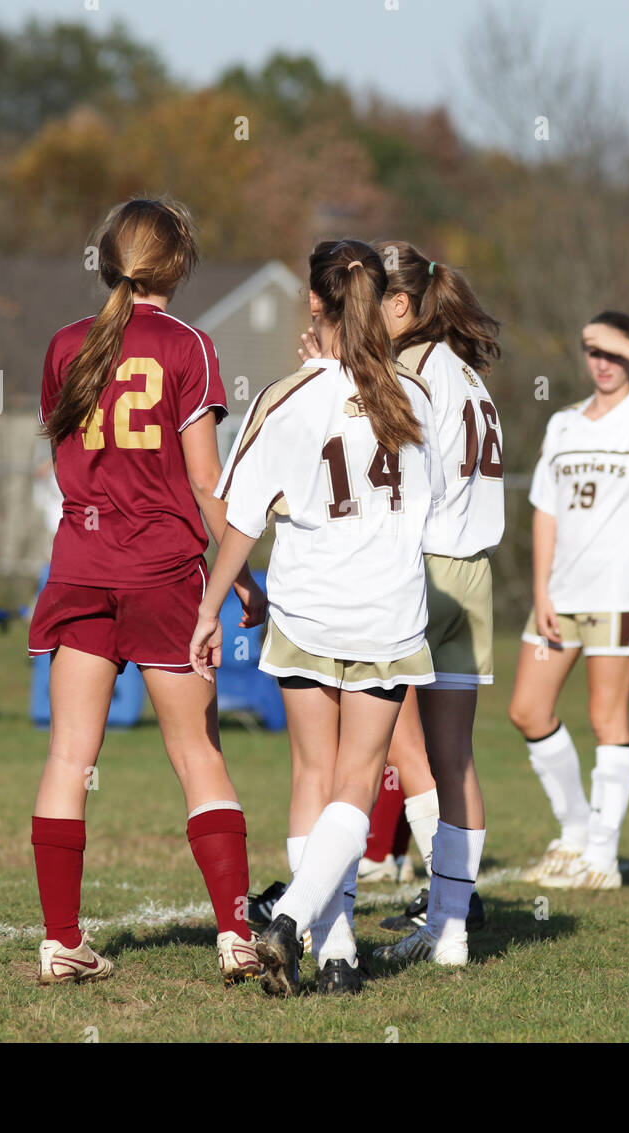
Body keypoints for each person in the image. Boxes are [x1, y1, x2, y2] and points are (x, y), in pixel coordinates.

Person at [190, 238, 444, 996]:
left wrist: (211, 607)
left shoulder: (287, 396)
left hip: (306, 609)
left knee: (311, 774)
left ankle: (317, 938)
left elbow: (242, 521)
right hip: (388, 611)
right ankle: (320, 944)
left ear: (315, 304)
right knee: (357, 782)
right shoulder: (416, 397)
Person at [28, 196, 266, 987]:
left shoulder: (66, 344)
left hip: (80, 567)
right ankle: (236, 934)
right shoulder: (187, 344)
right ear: (179, 263)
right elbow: (205, 480)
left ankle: (62, 938)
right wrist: (244, 574)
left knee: (69, 755)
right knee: (198, 753)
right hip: (163, 571)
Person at [508, 312, 629, 890]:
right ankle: (574, 832)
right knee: (527, 710)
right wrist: (540, 588)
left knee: (605, 717)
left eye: (614, 352)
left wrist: (626, 344)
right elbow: (545, 509)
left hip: (619, 592)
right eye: (594, 350)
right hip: (559, 593)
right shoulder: (563, 423)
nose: (604, 362)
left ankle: (603, 858)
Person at [363, 241, 503, 967]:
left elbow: (388, 473)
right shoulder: (468, 373)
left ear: (400, 305)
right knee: (455, 759)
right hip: (474, 575)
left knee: (374, 739)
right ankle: (450, 927)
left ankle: (325, 909)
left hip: (422, 571)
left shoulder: (409, 371)